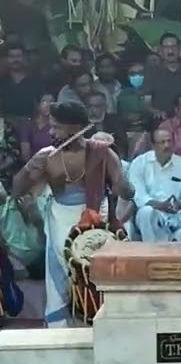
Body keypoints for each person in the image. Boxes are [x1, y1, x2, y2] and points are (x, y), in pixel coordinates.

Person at [10, 101, 133, 326]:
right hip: (60, 222)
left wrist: (114, 165)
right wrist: (29, 168)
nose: (50, 132)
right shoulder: (46, 156)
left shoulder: (100, 151)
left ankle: (104, 322)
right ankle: (63, 329)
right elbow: (16, 190)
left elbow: (127, 191)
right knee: (63, 277)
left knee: (97, 274)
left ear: (74, 129)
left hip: (98, 220)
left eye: (56, 127)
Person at [129, 128, 181, 242]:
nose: (167, 145)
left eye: (169, 141)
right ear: (153, 145)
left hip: (178, 212)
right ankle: (154, 252)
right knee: (145, 212)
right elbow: (138, 195)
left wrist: (180, 204)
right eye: (162, 142)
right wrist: (160, 205)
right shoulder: (139, 163)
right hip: (154, 212)